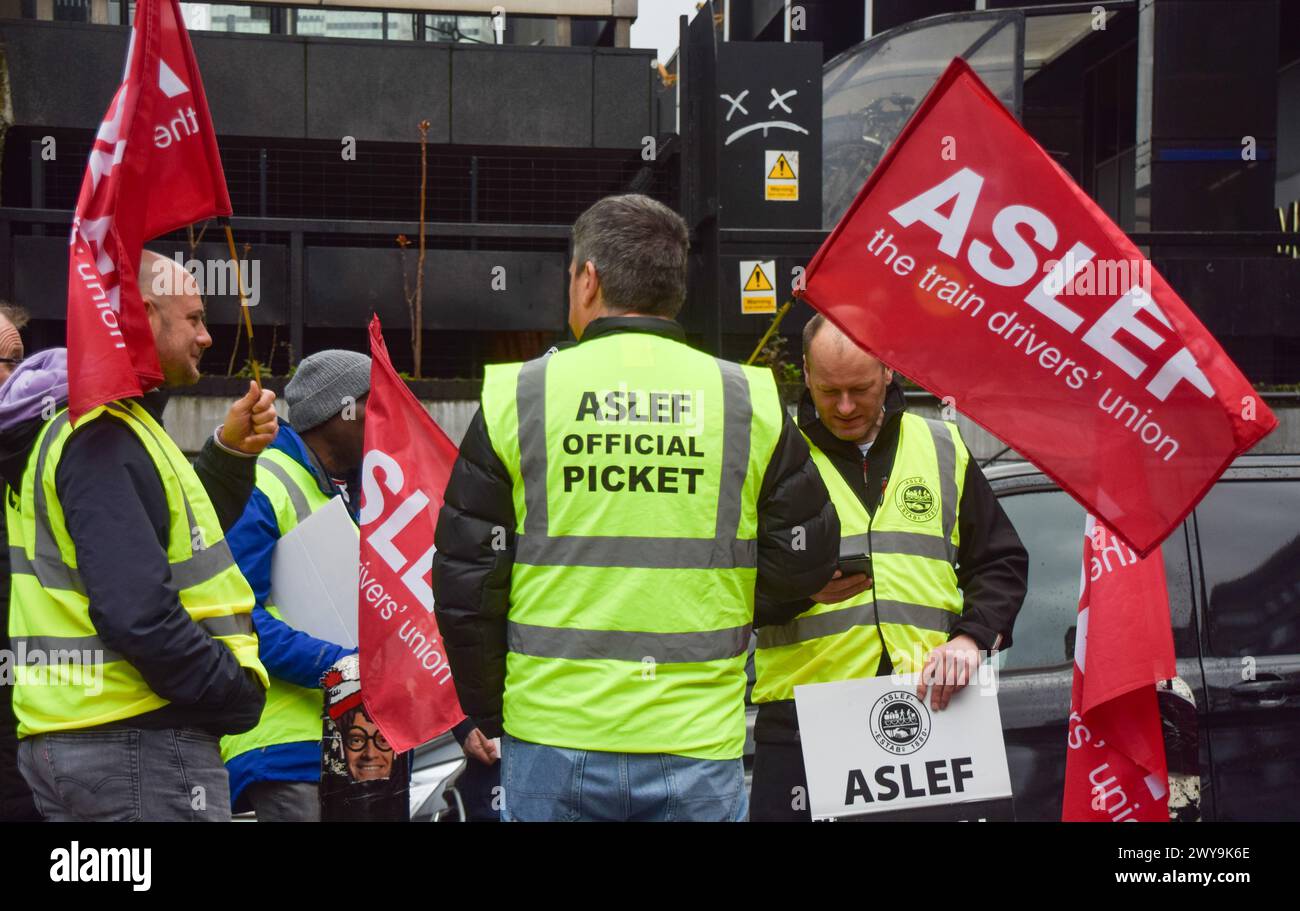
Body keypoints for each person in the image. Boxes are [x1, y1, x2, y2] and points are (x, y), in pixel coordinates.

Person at [432, 193, 840, 822]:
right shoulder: (746, 399)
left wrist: (493, 712)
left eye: (571, 274)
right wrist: (721, 600)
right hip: (697, 735)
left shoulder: (521, 394)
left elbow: (468, 582)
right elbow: (807, 553)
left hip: (554, 732)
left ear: (588, 278)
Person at [9, 250, 278, 822]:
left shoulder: (98, 427)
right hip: (136, 743)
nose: (207, 337)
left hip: (87, 740)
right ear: (144, 315)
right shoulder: (101, 431)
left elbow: (174, 551)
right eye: (195, 318)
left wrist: (228, 456)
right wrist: (231, 691)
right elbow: (138, 613)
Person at [748, 314, 1029, 821]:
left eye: (859, 388)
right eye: (829, 390)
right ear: (806, 375)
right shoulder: (771, 453)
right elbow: (725, 586)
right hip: (807, 724)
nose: (845, 406)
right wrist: (801, 592)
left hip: (934, 715)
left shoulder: (942, 447)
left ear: (888, 371)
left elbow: (1001, 560)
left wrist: (971, 639)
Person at [220, 350, 369, 821]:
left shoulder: (337, 491)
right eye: (374, 404)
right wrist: (342, 665)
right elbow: (237, 617)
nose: (385, 419)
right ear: (337, 411)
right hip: (282, 747)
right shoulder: (262, 481)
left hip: (339, 742)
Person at [0, 307, 41, 822]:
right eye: (2, 361)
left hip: (27, 728)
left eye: (18, 360)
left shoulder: (33, 452)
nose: (15, 377)